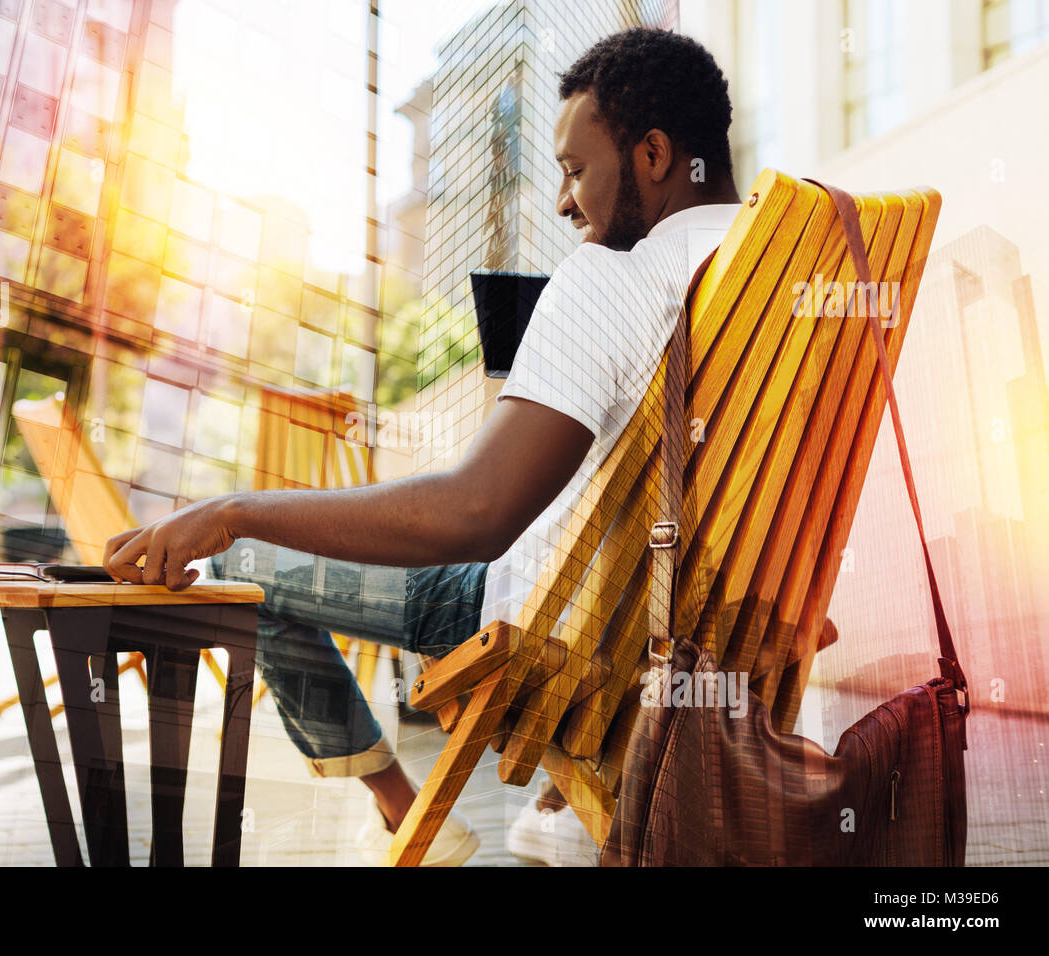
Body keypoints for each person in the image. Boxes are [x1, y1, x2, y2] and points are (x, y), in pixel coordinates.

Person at [103, 27, 743, 866]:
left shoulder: (610, 277)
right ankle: (562, 800)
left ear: (653, 153)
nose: (563, 204)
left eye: (574, 170)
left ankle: (408, 816)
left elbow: (473, 514)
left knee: (246, 567)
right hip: (700, 638)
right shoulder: (769, 271)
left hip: (547, 628)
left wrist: (230, 513)